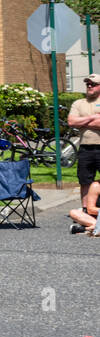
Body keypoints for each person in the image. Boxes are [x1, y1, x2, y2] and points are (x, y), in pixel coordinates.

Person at [67, 74, 100, 234]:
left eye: (93, 84)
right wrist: (94, 117)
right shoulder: (78, 103)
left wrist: (84, 121)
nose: (89, 86)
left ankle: (96, 212)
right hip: (86, 148)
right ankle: (87, 211)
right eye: (87, 84)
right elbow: (72, 122)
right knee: (85, 180)